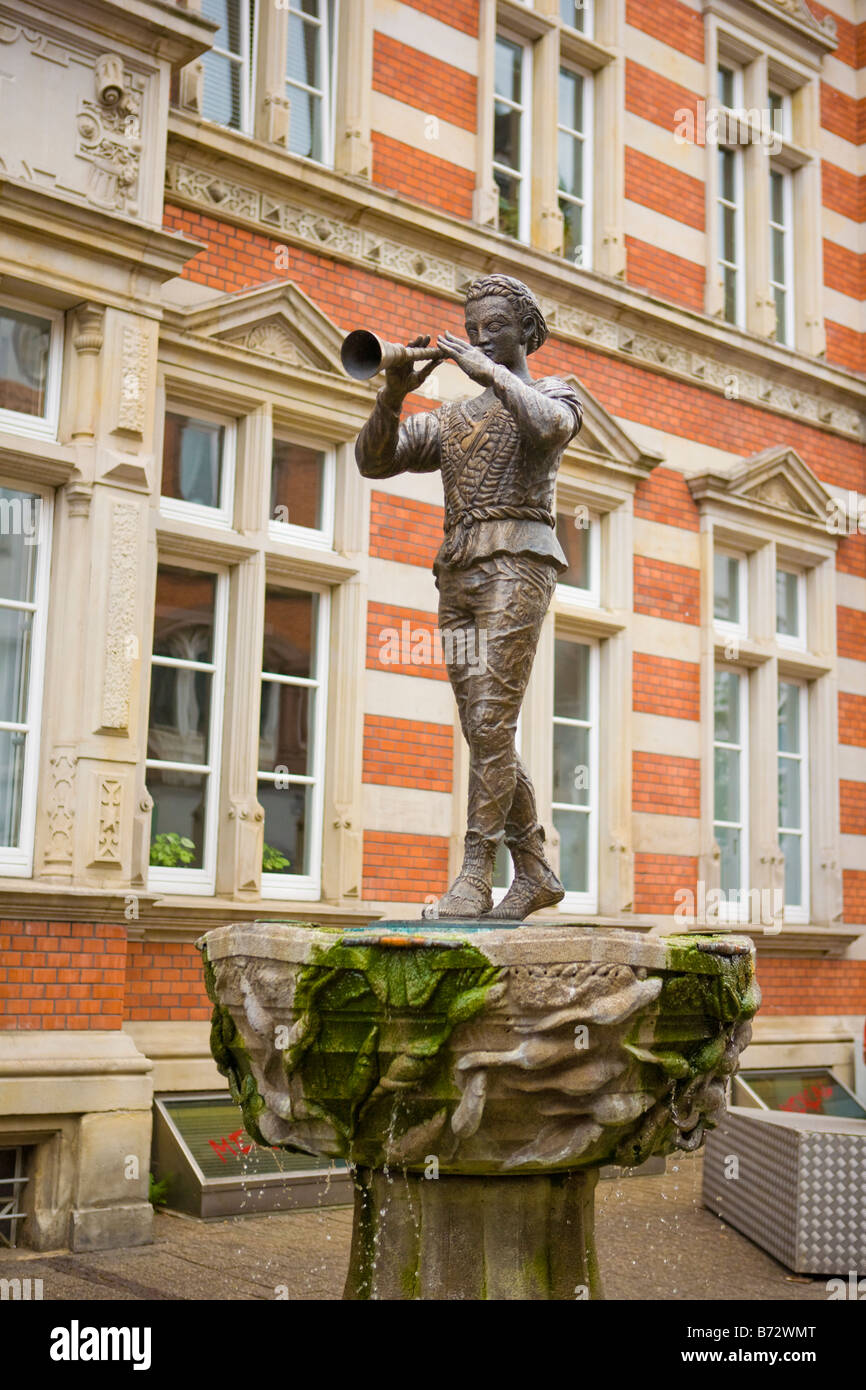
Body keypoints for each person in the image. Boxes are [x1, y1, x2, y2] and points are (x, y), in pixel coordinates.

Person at [355, 274, 583, 919]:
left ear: (527, 331)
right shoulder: (453, 420)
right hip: (456, 573)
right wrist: (393, 395)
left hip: (519, 562)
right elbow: (374, 460)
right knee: (484, 730)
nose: (481, 333)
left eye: (495, 324)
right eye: (474, 323)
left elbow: (545, 429)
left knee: (489, 722)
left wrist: (486, 371)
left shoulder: (553, 393)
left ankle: (475, 875)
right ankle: (535, 869)